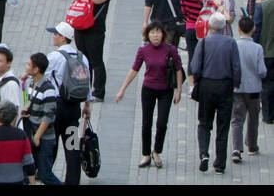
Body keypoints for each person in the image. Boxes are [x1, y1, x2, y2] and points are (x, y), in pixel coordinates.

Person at [114, 20, 184, 169]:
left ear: (163, 34)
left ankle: (157, 151)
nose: (155, 35)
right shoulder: (143, 50)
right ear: (147, 35)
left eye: (158, 32)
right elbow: (134, 70)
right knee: (146, 123)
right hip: (148, 90)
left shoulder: (171, 50)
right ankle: (146, 154)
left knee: (162, 123)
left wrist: (179, 91)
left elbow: (178, 69)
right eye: (152, 32)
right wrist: (122, 89)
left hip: (166, 90)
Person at [190, 12, 243, 173]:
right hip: (225, 86)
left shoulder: (204, 43)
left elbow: (195, 67)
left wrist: (197, 82)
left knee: (204, 122)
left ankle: (204, 153)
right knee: (223, 125)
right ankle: (220, 163)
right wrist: (235, 84)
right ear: (224, 27)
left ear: (209, 26)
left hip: (207, 85)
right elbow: (236, 67)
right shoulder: (231, 42)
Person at [46, 21, 92, 185]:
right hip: (74, 109)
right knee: (72, 147)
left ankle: (47, 177)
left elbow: (40, 77)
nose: (53, 37)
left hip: (56, 108)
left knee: (51, 145)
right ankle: (73, 181)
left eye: (55, 34)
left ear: (62, 37)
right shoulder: (82, 58)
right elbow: (87, 83)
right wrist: (87, 105)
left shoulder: (54, 57)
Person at [20, 52, 60, 185]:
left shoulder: (48, 89)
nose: (26, 67)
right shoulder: (33, 83)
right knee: (27, 171)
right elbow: (31, 102)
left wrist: (37, 136)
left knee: (45, 174)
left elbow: (49, 116)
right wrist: (26, 110)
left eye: (28, 64)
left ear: (36, 69)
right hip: (33, 134)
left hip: (44, 139)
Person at [232, 15, 266, 165]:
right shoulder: (258, 48)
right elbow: (262, 71)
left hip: (237, 88)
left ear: (238, 28)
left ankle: (236, 149)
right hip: (253, 89)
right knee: (253, 118)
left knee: (237, 119)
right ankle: (252, 145)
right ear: (253, 29)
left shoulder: (234, 45)